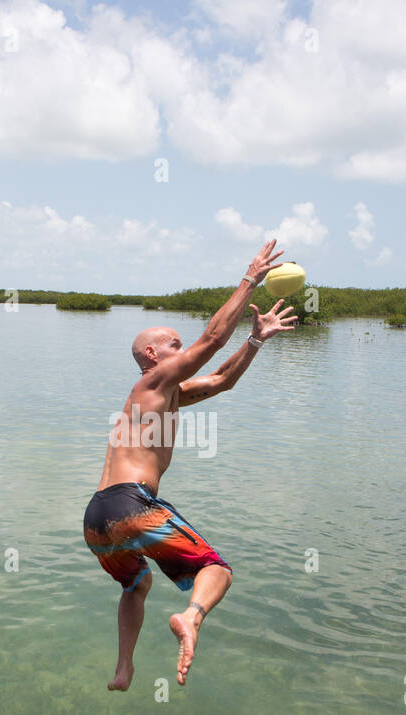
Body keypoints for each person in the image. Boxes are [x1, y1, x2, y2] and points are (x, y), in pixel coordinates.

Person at [83, 239, 298, 690]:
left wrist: (256, 339)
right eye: (174, 345)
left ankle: (124, 669)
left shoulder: (167, 394)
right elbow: (213, 339)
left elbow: (222, 378)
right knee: (215, 570)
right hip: (130, 504)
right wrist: (250, 278)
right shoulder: (152, 382)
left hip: (98, 518)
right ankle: (190, 618)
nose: (184, 351)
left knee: (136, 584)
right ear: (152, 357)